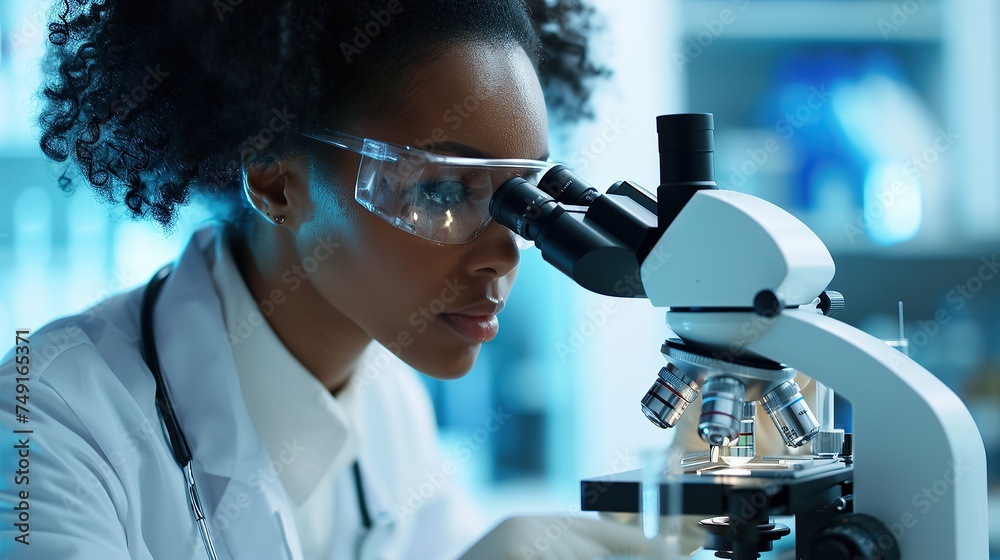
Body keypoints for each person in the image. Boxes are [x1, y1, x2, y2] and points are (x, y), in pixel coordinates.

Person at [0, 1, 650, 558]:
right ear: (276, 179)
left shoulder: (389, 401)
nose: (505, 254)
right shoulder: (46, 421)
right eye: (445, 189)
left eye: (523, 197)